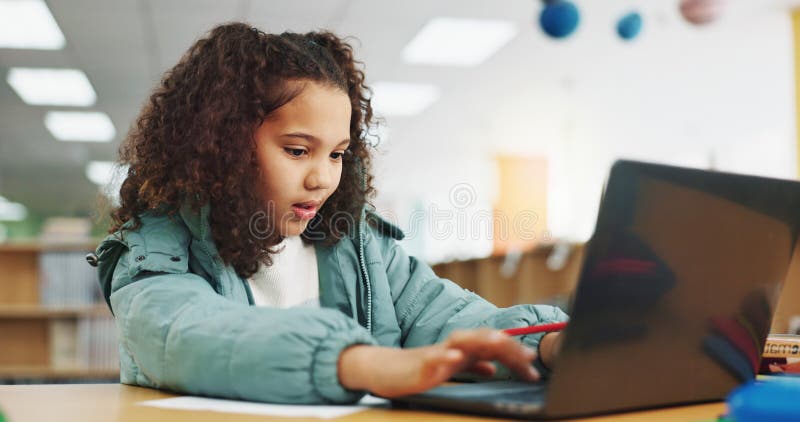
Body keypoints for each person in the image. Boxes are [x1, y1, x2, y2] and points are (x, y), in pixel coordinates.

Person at [92, 22, 569, 404]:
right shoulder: (156, 245)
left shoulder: (358, 244)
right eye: (298, 151)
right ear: (223, 145)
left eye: (337, 154)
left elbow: (450, 318)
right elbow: (182, 334)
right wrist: (359, 361)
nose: (323, 178)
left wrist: (548, 345)